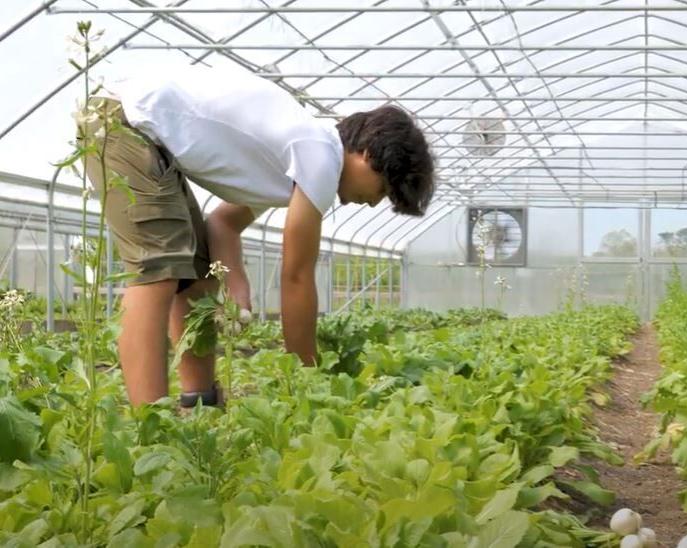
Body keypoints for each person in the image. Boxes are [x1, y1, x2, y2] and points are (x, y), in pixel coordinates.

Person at [78, 64, 435, 408]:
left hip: (142, 129)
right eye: (383, 190)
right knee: (160, 270)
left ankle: (199, 402)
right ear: (367, 154)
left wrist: (237, 287)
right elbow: (296, 277)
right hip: (123, 121)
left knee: (198, 276)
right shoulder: (322, 157)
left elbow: (223, 224)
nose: (374, 203)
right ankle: (149, 424)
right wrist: (305, 378)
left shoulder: (300, 157)